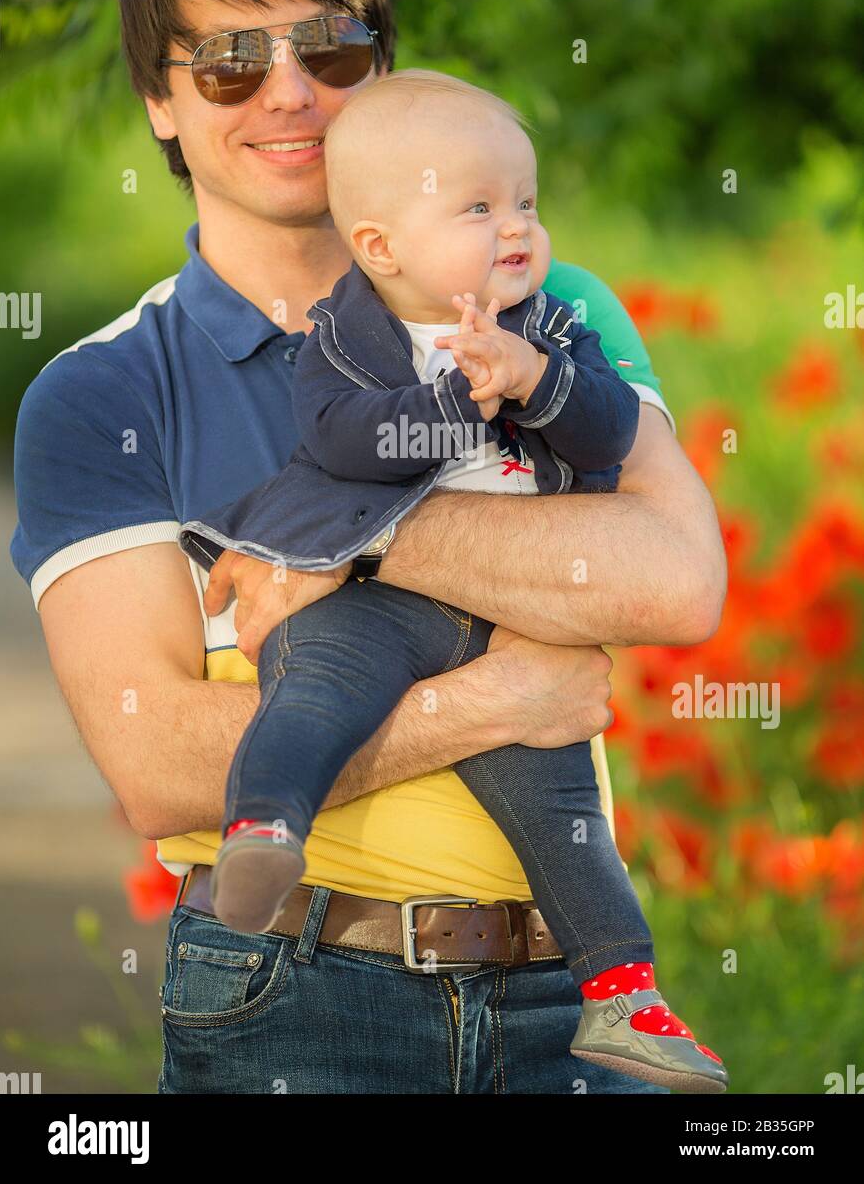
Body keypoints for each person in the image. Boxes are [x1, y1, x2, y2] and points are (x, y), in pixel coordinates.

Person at [10, 0, 727, 1095]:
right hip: (289, 998)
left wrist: (341, 543)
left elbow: (671, 584)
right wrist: (496, 701)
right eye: (230, 58)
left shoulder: (544, 309)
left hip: (569, 996)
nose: (290, 92)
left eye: (330, 47)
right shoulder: (103, 394)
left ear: (381, 68)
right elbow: (162, 763)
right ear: (159, 103)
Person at [179, 67, 728, 1093]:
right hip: (375, 610)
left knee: (563, 809)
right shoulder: (345, 336)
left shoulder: (551, 325)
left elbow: (607, 433)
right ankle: (264, 827)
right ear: (380, 247)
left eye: (525, 202)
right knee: (313, 694)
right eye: (476, 208)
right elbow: (342, 442)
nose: (515, 228)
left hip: (512, 623)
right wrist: (462, 405)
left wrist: (535, 380)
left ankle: (622, 993)